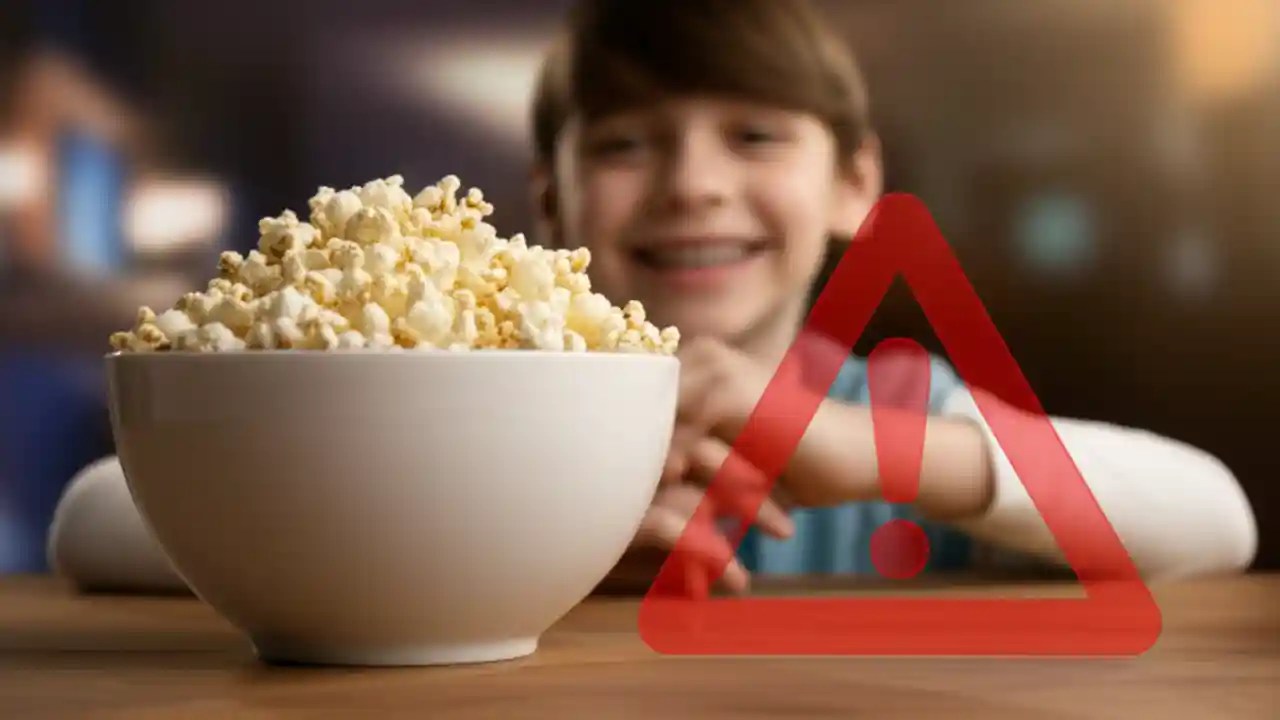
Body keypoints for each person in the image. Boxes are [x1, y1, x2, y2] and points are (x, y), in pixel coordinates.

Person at [527, 0, 1257, 593]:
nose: (692, 185)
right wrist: (536, 567)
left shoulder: (897, 410)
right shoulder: (488, 426)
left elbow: (1218, 525)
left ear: (854, 184)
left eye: (754, 136)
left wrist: (871, 449)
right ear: (551, 200)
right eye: (621, 145)